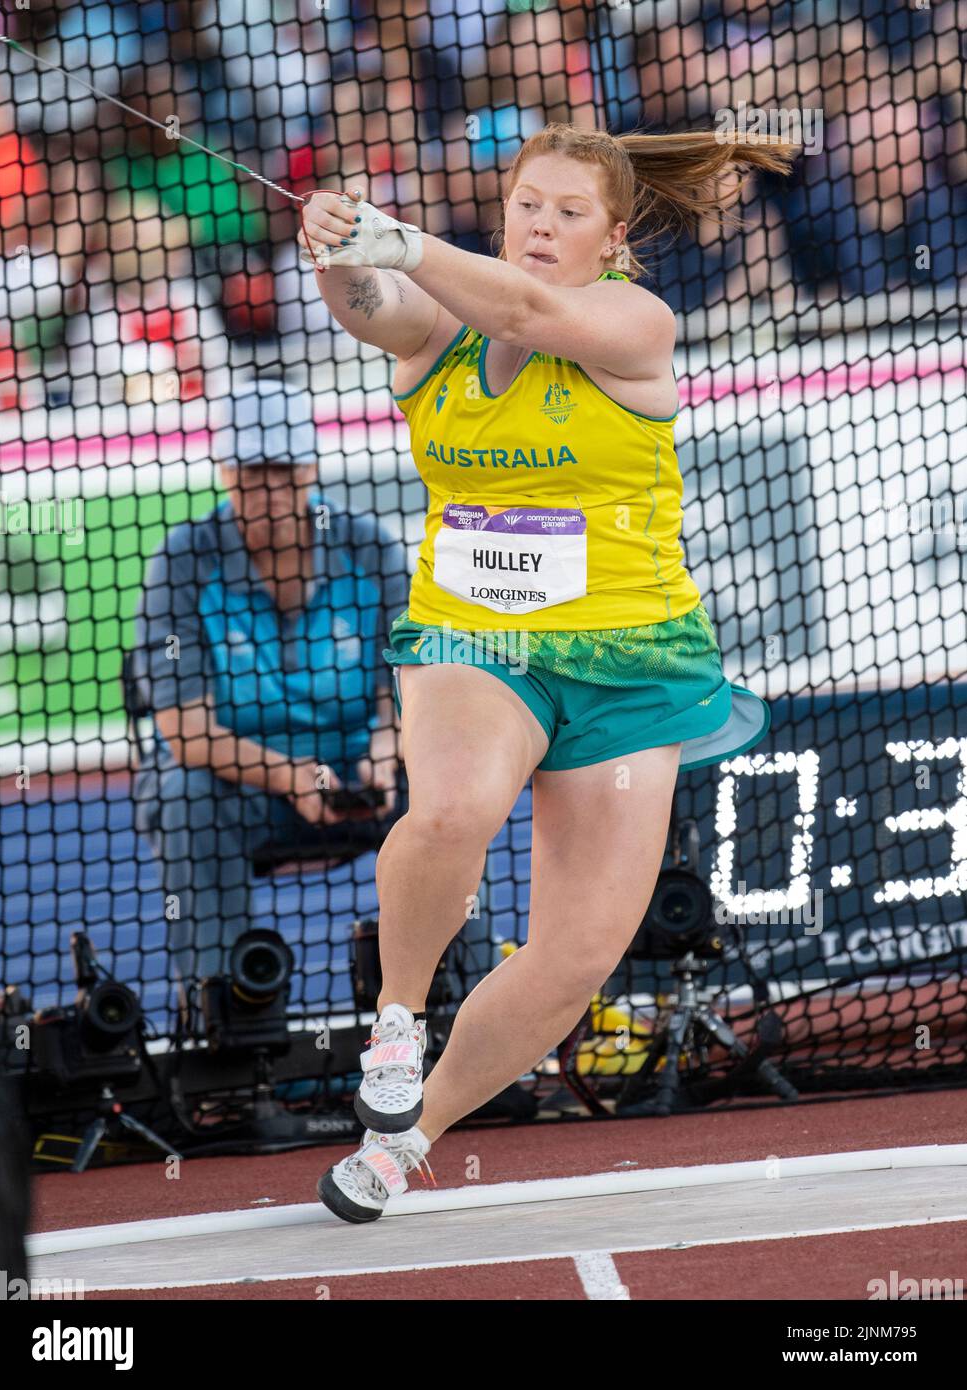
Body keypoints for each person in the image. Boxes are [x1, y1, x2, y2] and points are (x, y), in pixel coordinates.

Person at [298, 122, 799, 1222]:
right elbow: (374, 307)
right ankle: (394, 1018)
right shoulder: (443, 320)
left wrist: (399, 239)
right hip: (476, 640)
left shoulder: (632, 318)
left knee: (578, 951)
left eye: (569, 213)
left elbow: (526, 312)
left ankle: (408, 1137)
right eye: (528, 203)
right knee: (457, 808)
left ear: (612, 240)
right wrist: (340, 251)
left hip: (631, 661)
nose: (540, 225)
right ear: (504, 209)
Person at [131, 377, 409, 1023]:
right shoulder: (182, 561)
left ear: (309, 469)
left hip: (361, 778)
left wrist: (386, 746)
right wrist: (289, 775)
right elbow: (186, 734)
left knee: (443, 782)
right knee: (181, 795)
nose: (269, 496)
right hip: (242, 792)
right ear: (226, 475)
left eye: (282, 475)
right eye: (252, 477)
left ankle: (454, 1017)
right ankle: (227, 1025)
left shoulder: (371, 547)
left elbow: (408, 679)